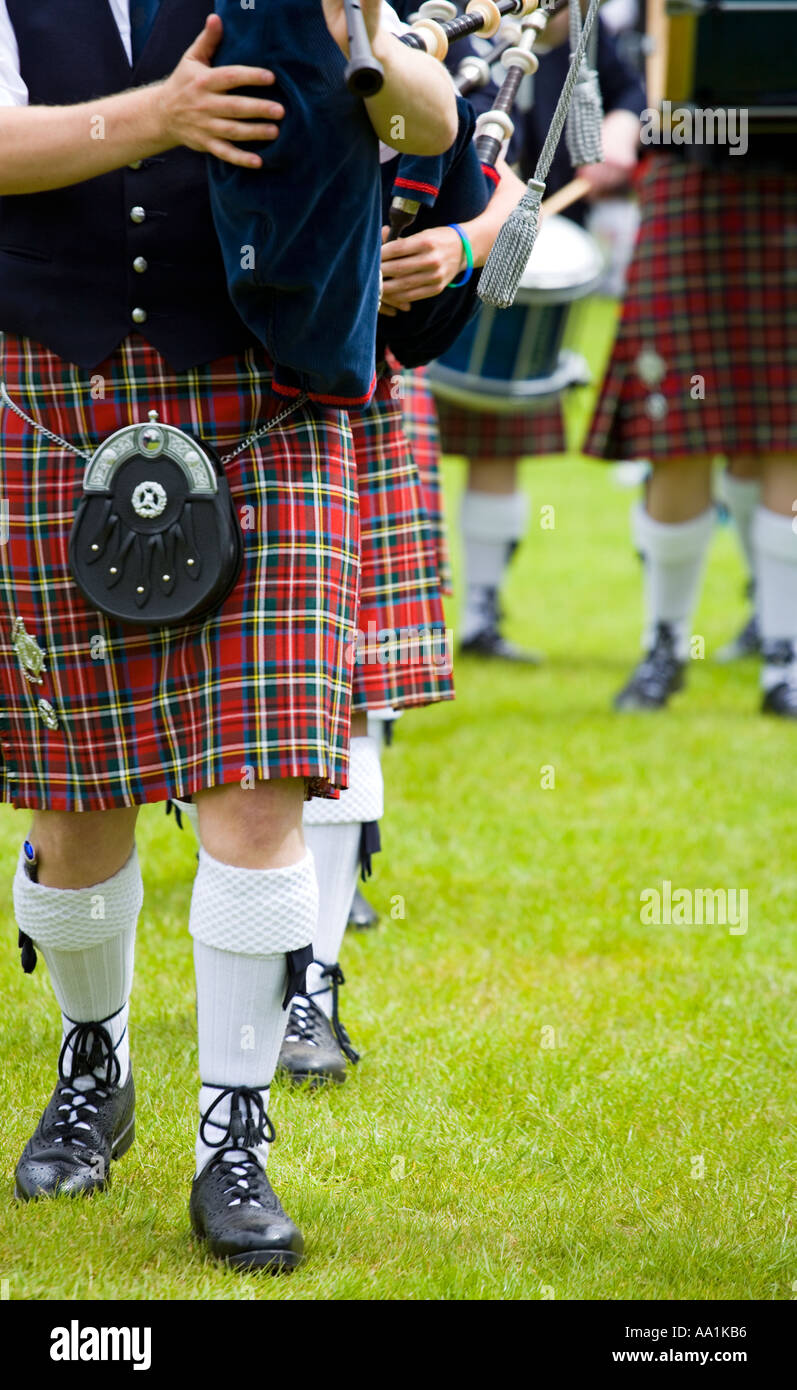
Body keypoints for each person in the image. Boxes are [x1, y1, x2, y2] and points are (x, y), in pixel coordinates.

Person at [1, 0, 456, 1272]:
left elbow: (435, 120)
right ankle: (95, 1063)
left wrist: (371, 42)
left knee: (256, 789)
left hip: (266, 394)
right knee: (72, 799)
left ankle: (231, 1133)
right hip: (57, 389)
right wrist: (157, 118)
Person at [395, 4, 645, 661]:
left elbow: (626, 92)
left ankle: (478, 613)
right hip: (426, 256)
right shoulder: (435, 21)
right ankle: (402, 618)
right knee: (407, 454)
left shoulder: (577, 30)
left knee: (498, 447)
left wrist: (613, 141)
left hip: (534, 249)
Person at [584, 7, 797, 717]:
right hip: (691, 179)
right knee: (675, 426)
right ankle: (663, 646)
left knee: (789, 432)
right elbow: (656, 89)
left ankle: (784, 657)